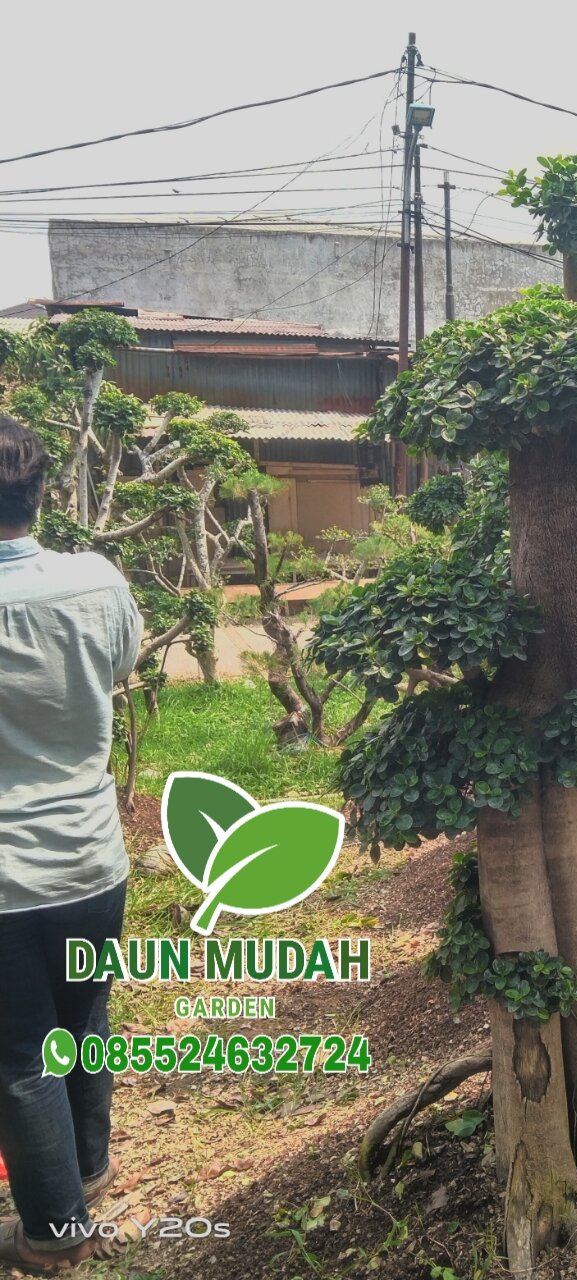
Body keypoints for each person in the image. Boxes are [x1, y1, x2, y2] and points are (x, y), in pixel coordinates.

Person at [0, 416, 142, 1270]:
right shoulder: (96, 578)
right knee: (81, 1018)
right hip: (93, 859)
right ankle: (88, 1168)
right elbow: (118, 668)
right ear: (41, 489)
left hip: (7, 879)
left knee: (18, 1049)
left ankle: (53, 1234)